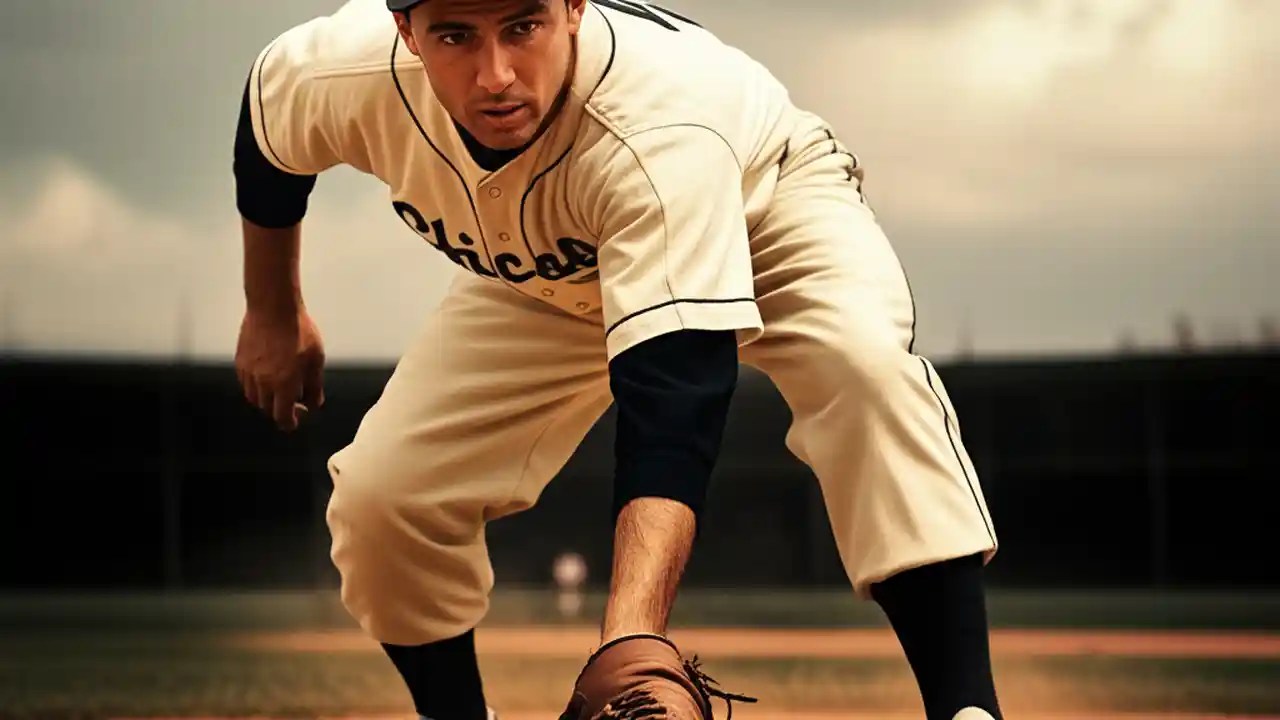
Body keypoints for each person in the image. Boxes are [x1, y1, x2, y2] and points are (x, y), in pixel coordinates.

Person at [230, 0, 1004, 718]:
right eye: (456, 34)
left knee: (863, 373)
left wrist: (629, 644)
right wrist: (271, 311)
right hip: (546, 274)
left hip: (765, 206)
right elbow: (269, 139)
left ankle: (968, 707)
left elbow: (675, 394)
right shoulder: (339, 74)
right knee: (381, 499)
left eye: (523, 25)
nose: (494, 73)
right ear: (405, 30)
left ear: (574, 6)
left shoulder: (659, 122)